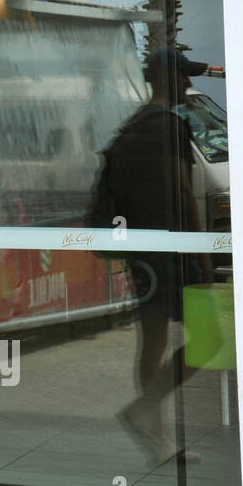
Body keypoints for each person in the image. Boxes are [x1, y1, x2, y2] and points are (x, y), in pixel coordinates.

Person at [95, 50, 213, 464]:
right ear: (166, 76)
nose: (187, 83)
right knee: (212, 337)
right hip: (173, 251)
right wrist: (203, 253)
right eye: (183, 75)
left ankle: (155, 436)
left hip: (143, 252)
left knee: (153, 342)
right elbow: (183, 192)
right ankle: (149, 418)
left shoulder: (132, 126)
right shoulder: (169, 126)